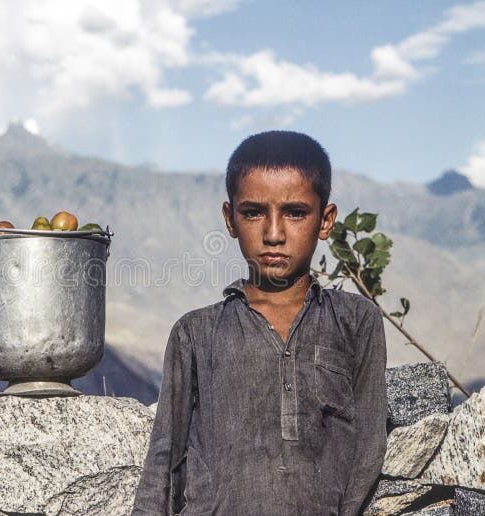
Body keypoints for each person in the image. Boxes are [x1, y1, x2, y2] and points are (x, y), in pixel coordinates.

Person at [131, 131, 387, 516]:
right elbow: (164, 462)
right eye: (253, 212)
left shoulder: (355, 320)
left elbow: (368, 446)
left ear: (326, 220)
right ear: (230, 219)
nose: (273, 234)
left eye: (295, 213)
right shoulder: (196, 333)